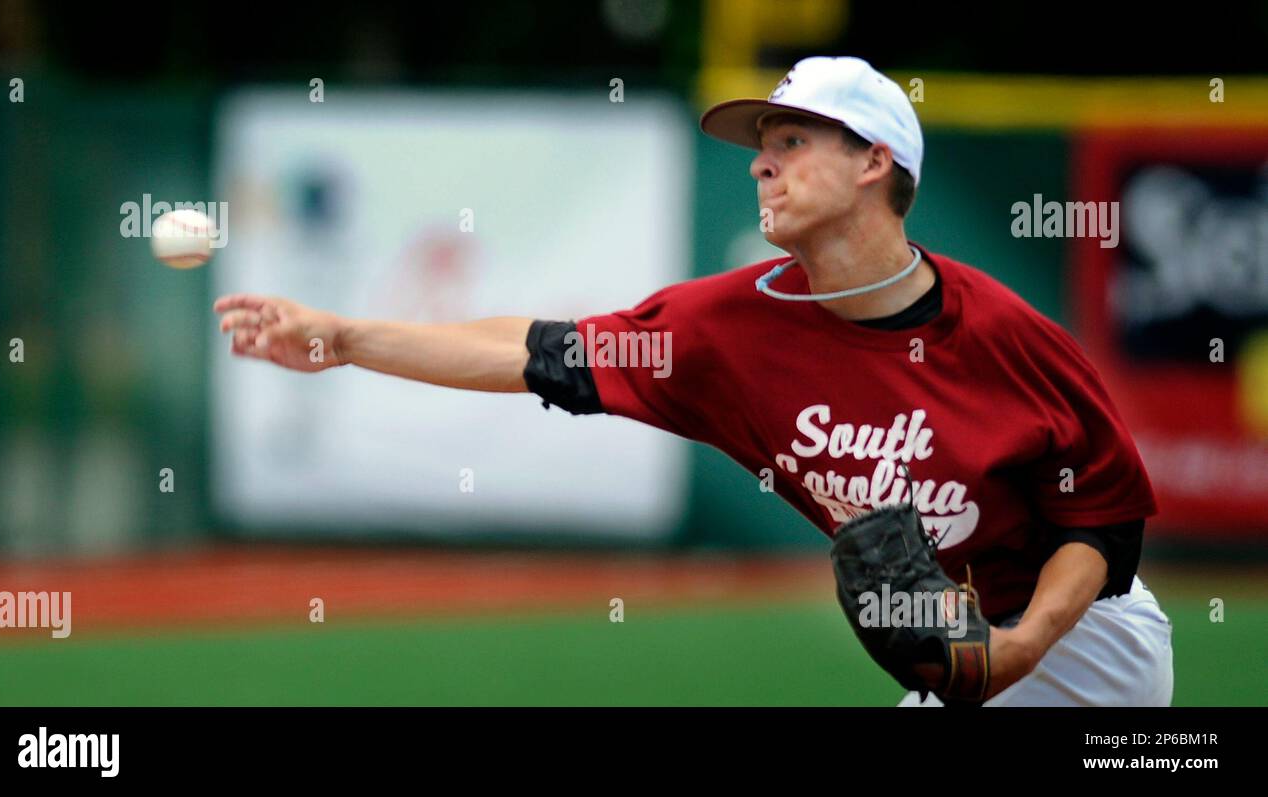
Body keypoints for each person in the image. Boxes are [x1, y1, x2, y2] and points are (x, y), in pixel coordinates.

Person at [214, 56, 1173, 706]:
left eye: (794, 140)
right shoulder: (723, 330)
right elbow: (534, 351)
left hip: (1090, 651)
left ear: (876, 161)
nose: (761, 160)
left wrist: (1019, 648)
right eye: (763, 143)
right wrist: (343, 336)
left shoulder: (1006, 336)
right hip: (961, 648)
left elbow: (1102, 518)